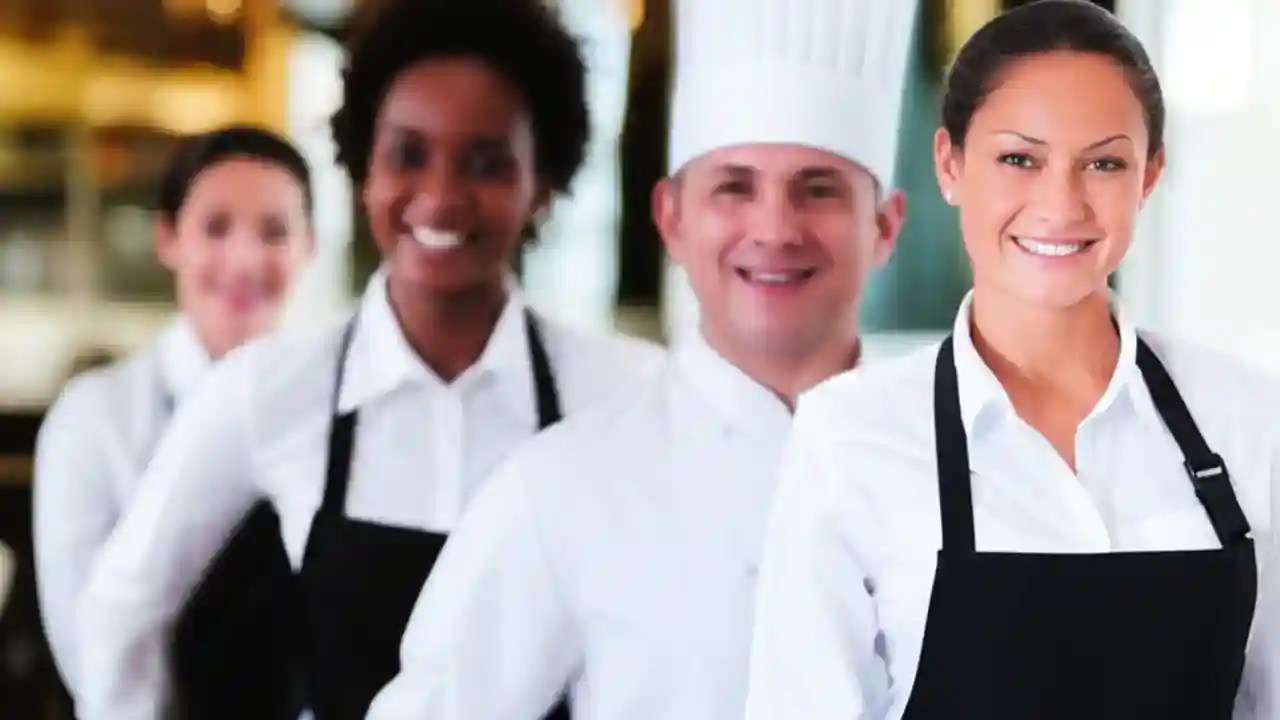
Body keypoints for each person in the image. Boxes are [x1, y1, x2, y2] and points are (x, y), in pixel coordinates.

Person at [74, 1, 664, 718]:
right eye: (408, 155)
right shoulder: (269, 391)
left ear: (541, 185)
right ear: (360, 168)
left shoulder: (623, 392)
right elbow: (120, 611)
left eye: (487, 163)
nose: (442, 197)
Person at [365, 0, 916, 717]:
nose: (775, 228)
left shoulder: (962, 467)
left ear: (884, 226)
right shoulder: (562, 487)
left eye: (818, 189)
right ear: (672, 218)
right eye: (734, 186)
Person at [743, 2, 1279, 718]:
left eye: (1104, 163)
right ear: (950, 164)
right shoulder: (850, 436)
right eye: (1019, 159)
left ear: (1149, 177)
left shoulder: (1248, 418)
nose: (1061, 205)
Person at [33, 125, 316, 711]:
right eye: (216, 227)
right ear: (168, 238)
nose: (245, 258)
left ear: (308, 248)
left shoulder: (333, 411)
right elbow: (93, 657)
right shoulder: (93, 420)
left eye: (274, 231)